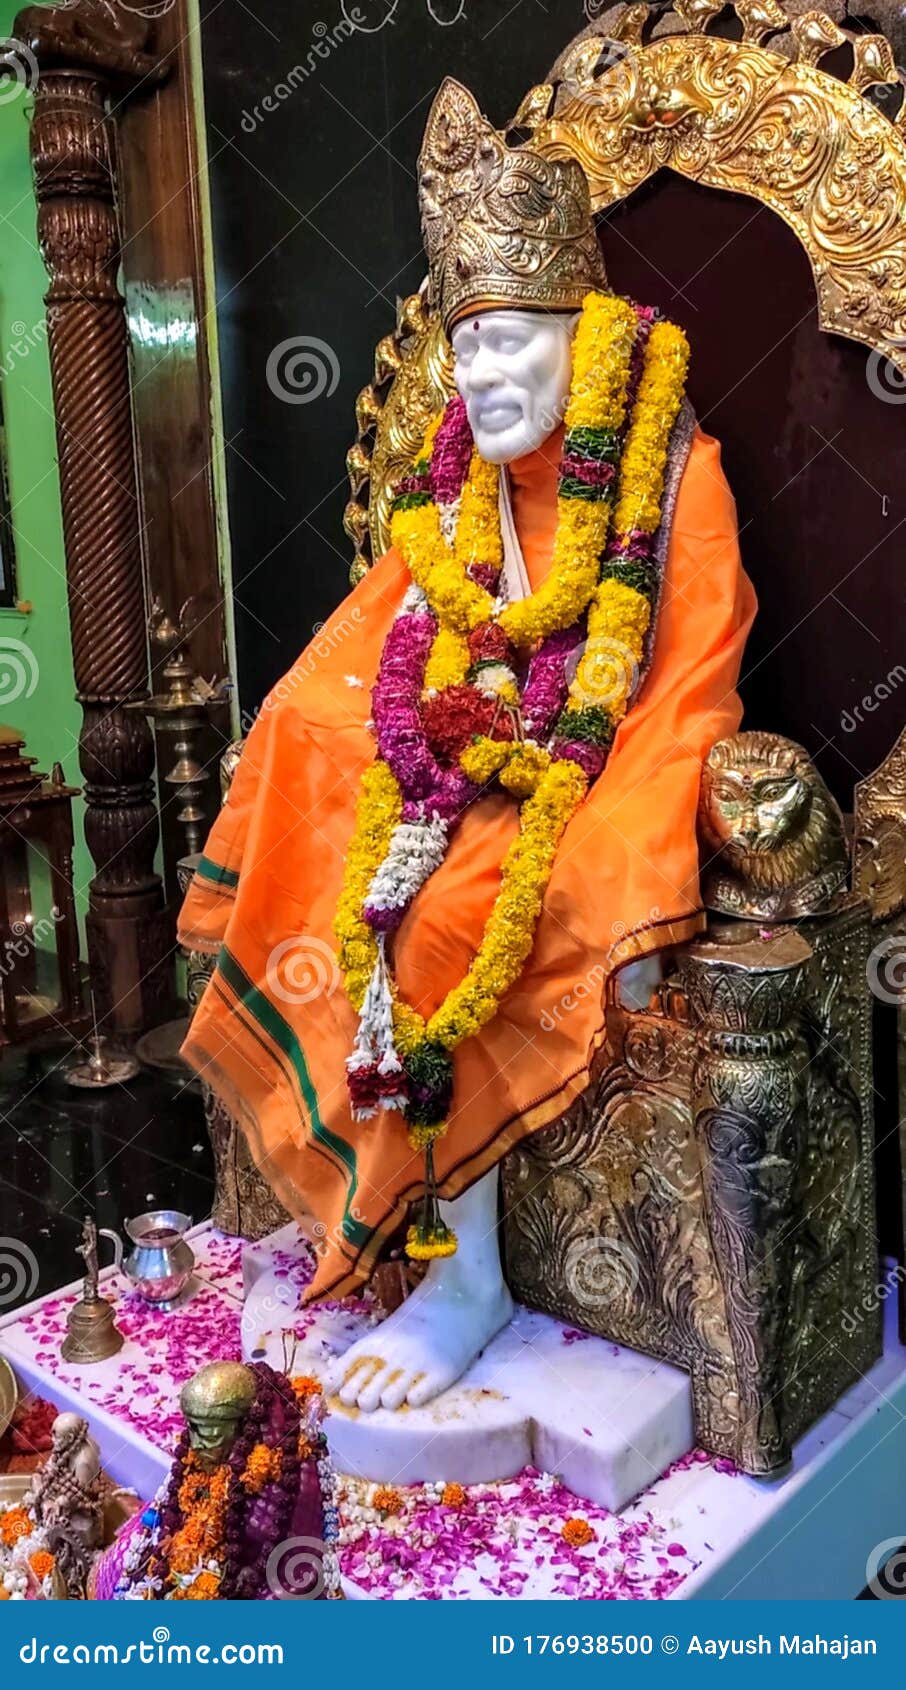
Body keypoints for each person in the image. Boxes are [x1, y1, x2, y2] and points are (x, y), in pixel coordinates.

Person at [179, 77, 755, 1413]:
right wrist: (319, 734)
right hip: (459, 755)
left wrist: (622, 857)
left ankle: (464, 1277)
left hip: (593, 763)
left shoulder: (677, 474)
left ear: (590, 339)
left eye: (511, 344)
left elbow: (694, 677)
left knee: (437, 923)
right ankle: (363, 1207)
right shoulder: (461, 487)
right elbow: (382, 631)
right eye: (466, 346)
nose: (481, 374)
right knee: (309, 772)